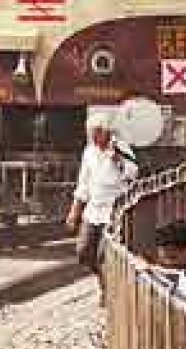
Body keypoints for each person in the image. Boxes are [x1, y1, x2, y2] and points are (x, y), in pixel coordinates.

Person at [67, 113, 140, 290]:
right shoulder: (89, 152)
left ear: (106, 132)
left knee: (104, 254)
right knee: (83, 251)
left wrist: (118, 160)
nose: (93, 137)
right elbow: (83, 183)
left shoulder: (120, 148)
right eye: (90, 133)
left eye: (96, 132)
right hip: (93, 210)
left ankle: (107, 288)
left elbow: (133, 173)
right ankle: (103, 279)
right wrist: (74, 210)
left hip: (114, 211)